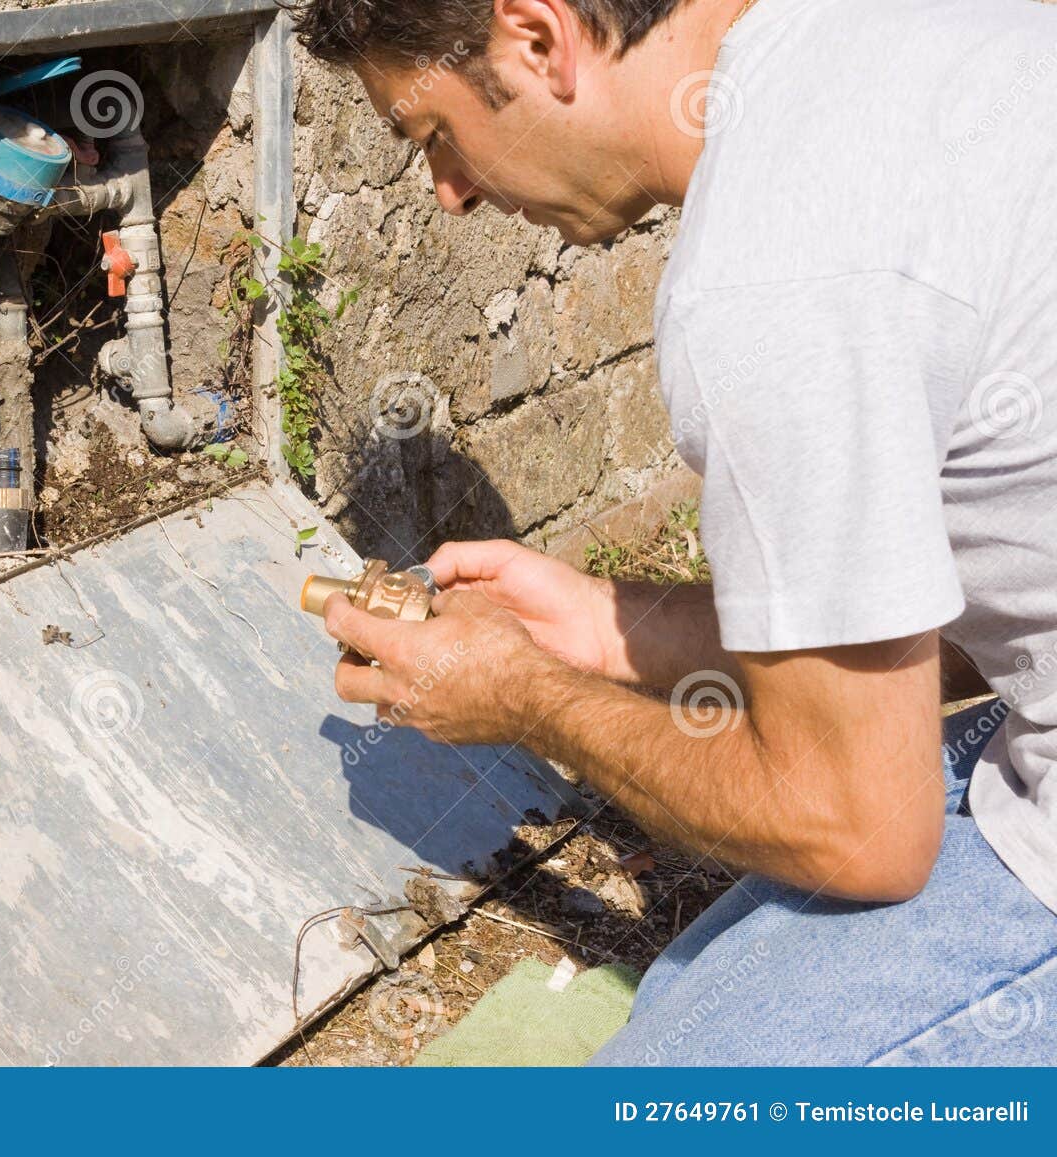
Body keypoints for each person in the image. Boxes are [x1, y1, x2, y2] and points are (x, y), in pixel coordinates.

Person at [293, 0, 1057, 1063]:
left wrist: (524, 695)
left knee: (660, 1087)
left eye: (434, 136)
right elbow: (991, 604)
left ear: (536, 38)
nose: (449, 193)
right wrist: (611, 628)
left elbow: (861, 829)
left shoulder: (767, 275)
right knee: (691, 977)